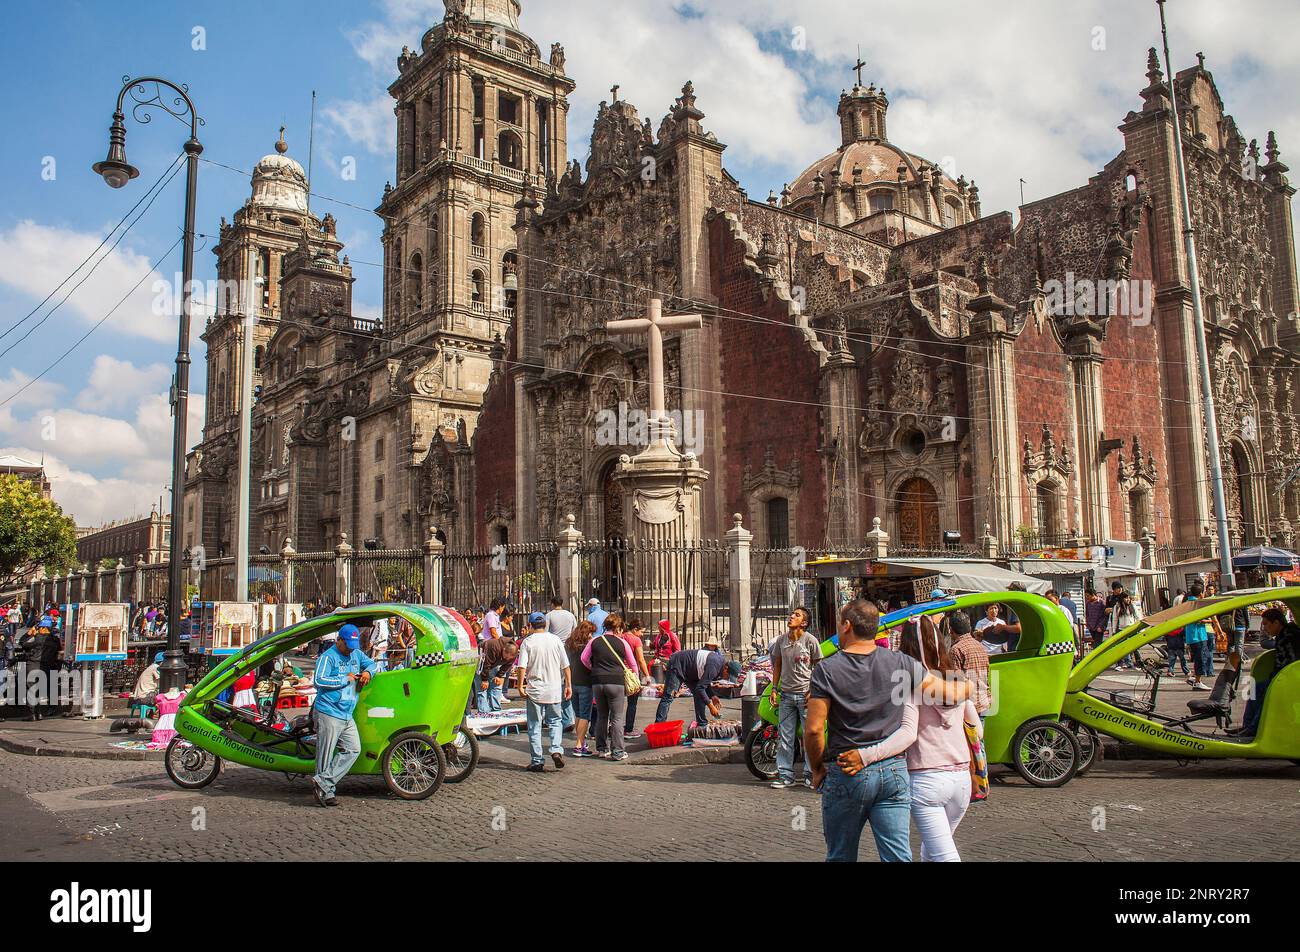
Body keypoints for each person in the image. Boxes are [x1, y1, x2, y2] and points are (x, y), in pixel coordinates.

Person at [805, 599, 972, 863]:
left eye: (839, 622)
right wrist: (968, 687)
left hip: (848, 768)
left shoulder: (826, 669)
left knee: (840, 855)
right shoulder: (902, 663)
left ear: (847, 625)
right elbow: (950, 692)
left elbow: (814, 729)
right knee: (897, 856)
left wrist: (816, 769)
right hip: (893, 771)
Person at [310, 623, 377, 807]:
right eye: (347, 644)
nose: (350, 649)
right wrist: (343, 679)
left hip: (347, 714)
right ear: (339, 640)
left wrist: (367, 672)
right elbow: (318, 680)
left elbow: (372, 664)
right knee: (325, 754)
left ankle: (323, 781)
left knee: (353, 749)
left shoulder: (355, 654)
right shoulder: (328, 657)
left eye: (352, 645)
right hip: (329, 711)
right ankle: (326, 793)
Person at [768, 607, 821, 789]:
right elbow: (777, 665)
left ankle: (809, 774)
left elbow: (818, 667)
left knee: (809, 738)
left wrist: (813, 688)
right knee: (785, 738)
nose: (791, 617)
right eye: (792, 614)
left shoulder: (811, 641)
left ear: (804, 623)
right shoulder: (781, 640)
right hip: (786, 696)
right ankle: (786, 775)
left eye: (797, 615)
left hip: (806, 696)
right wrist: (774, 689)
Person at [516, 611, 572, 772]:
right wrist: (568, 685)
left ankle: (537, 760)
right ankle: (555, 749)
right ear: (545, 624)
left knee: (535, 725)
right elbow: (565, 665)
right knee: (555, 721)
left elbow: (522, 667)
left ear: (531, 625)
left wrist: (520, 685)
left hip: (535, 690)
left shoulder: (528, 642)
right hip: (554, 688)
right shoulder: (555, 640)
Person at [580, 614, 639, 760]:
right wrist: (635, 678)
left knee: (602, 715)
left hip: (598, 682)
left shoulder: (594, 641)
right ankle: (618, 751)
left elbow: (583, 659)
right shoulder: (622, 643)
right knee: (617, 718)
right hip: (616, 682)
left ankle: (602, 749)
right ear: (618, 627)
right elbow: (632, 664)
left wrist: (594, 668)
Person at [1236, 607, 1300, 736]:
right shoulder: (1284, 635)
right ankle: (1247, 727)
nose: (1264, 628)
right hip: (1283, 677)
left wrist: (1274, 680)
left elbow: (1289, 663)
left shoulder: (1288, 637)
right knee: (1255, 689)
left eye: (1266, 624)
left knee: (1265, 692)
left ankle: (1252, 728)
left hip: (1289, 679)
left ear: (1276, 623)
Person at [653, 641, 726, 727]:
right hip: (677, 664)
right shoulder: (715, 666)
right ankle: (658, 726)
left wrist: (713, 696)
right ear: (726, 669)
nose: (726, 678)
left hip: (691, 670)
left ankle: (702, 723)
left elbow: (703, 683)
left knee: (698, 694)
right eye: (728, 675)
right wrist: (710, 706)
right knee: (668, 697)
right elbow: (701, 688)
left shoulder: (719, 663)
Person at [946, 609, 990, 716]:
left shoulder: (956, 649)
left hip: (968, 706)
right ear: (969, 628)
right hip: (983, 701)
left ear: (951, 630)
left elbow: (955, 680)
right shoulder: (980, 645)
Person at [566, 621, 597, 756]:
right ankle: (579, 745)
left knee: (578, 714)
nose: (592, 636)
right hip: (585, 683)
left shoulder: (570, 644)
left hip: (573, 682)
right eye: (591, 633)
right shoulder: (588, 646)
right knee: (585, 715)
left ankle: (581, 742)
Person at [620, 616, 652, 739]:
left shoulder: (621, 637)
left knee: (615, 703)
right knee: (632, 703)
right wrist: (647, 675)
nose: (642, 635)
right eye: (641, 631)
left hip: (619, 672)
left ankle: (613, 727)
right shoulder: (635, 640)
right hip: (632, 674)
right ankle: (628, 729)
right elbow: (641, 659)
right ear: (635, 629)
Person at [476, 636, 518, 713]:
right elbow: (485, 664)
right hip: (481, 662)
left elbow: (507, 665)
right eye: (506, 657)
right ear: (504, 650)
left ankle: (496, 710)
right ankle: (484, 712)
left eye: (509, 658)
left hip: (494, 664)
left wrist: (499, 676)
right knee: (482, 688)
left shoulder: (513, 653)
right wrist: (484, 680)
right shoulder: (493, 647)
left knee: (496, 687)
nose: (507, 659)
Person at [1183, 582, 1212, 690]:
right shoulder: (1197, 604)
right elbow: (1199, 619)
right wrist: (1208, 621)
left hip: (1191, 635)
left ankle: (1194, 677)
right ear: (1201, 593)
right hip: (1198, 635)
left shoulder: (1187, 603)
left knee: (1199, 658)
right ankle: (1198, 681)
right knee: (1201, 658)